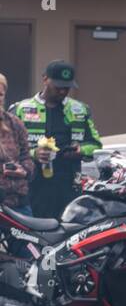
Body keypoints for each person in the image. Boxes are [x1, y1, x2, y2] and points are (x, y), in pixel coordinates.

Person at [10, 61, 101, 219]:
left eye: (67, 87)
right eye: (58, 86)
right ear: (45, 79)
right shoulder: (20, 109)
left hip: (69, 187)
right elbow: (7, 150)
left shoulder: (80, 110)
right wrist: (33, 154)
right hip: (31, 187)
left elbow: (96, 145)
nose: (62, 91)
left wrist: (81, 151)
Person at [0, 75, 33, 215]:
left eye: (0, 94)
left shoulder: (15, 123)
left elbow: (27, 157)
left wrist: (24, 170)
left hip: (18, 203)